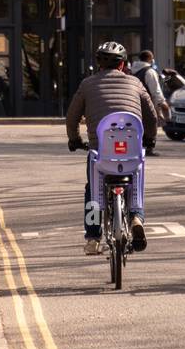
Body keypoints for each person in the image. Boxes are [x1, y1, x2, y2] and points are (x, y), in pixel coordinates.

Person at [66, 40, 157, 256]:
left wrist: (74, 139)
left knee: (92, 191)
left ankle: (92, 239)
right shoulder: (135, 83)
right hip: (131, 153)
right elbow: (151, 115)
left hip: (101, 154)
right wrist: (150, 139)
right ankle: (136, 216)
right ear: (122, 64)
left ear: (99, 64)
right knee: (136, 182)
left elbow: (72, 117)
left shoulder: (87, 85)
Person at [127, 50, 170, 136]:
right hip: (147, 106)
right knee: (149, 135)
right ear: (150, 59)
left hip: (133, 105)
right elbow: (156, 91)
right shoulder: (150, 72)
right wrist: (163, 103)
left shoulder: (132, 71)